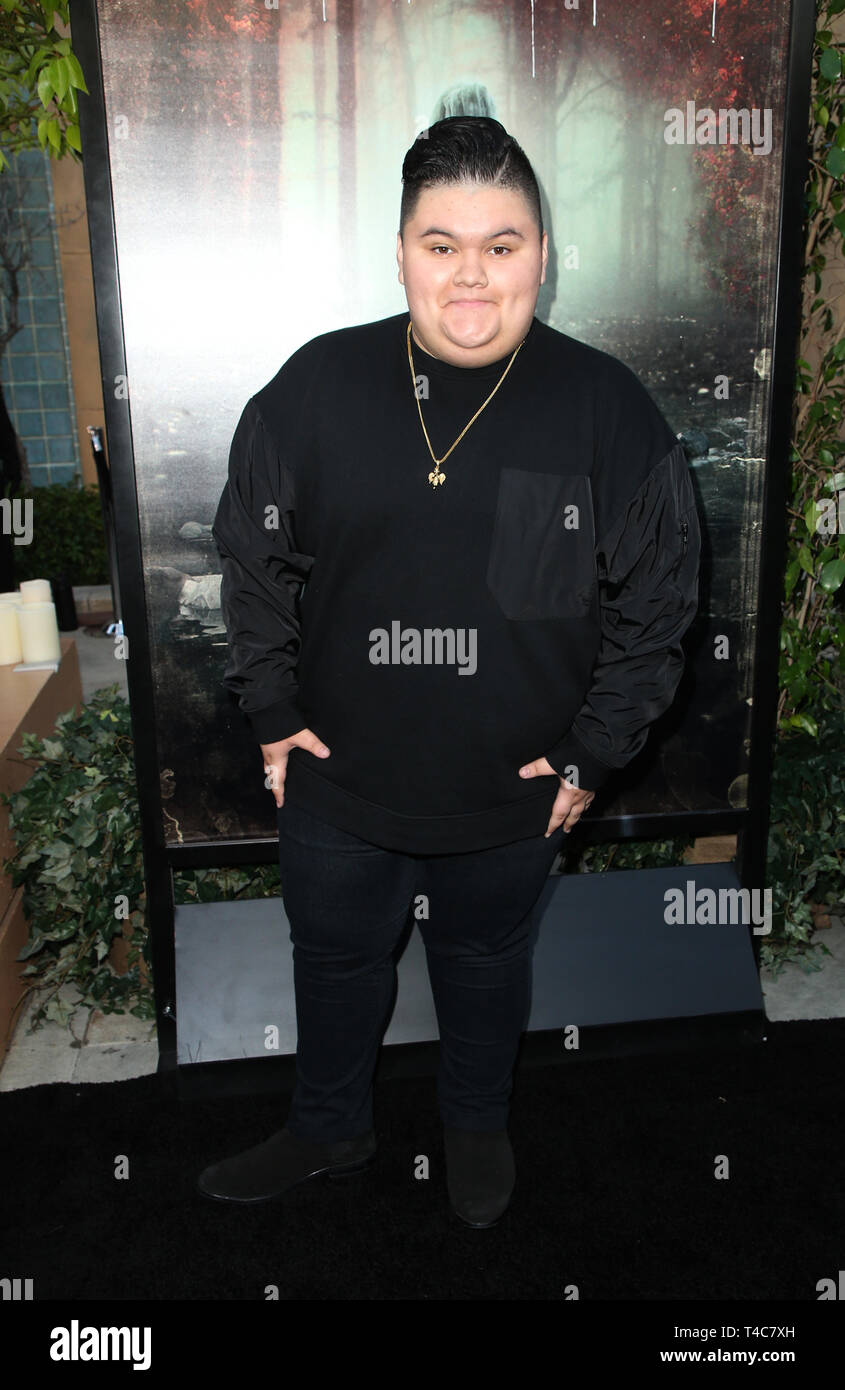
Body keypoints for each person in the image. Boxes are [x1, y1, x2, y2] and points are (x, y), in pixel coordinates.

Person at [200, 116, 701, 1228]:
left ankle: (474, 1128)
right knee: (334, 967)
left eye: (501, 242)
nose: (469, 272)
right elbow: (251, 548)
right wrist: (272, 706)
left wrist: (592, 749)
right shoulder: (317, 383)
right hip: (337, 786)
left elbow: (660, 597)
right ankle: (330, 1128)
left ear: (539, 253)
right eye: (441, 243)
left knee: (484, 969)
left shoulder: (602, 404)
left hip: (509, 789)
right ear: (399, 253)